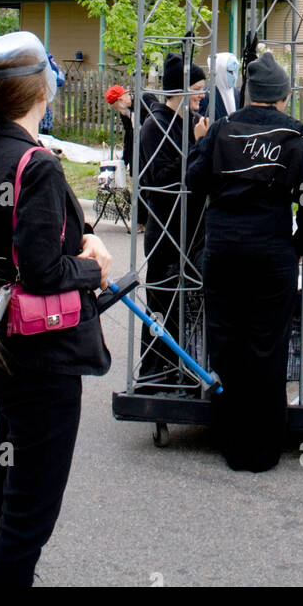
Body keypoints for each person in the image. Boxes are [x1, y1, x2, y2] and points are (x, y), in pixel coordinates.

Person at [0, 31, 112, 588]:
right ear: (44, 89)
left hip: (3, 347)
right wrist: (95, 268)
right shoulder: (37, 164)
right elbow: (44, 271)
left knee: (9, 474)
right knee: (31, 515)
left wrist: (85, 236)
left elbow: (30, 237)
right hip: (42, 361)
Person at [187, 51, 303, 472]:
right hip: (271, 250)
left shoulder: (223, 128)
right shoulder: (295, 134)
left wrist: (199, 143)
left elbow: (195, 182)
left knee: (227, 341)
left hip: (225, 248)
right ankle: (264, 448)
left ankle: (233, 441)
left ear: (250, 95)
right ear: (282, 97)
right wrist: (301, 243)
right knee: (268, 343)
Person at [137, 55, 209, 384]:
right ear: (178, 90)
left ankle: (181, 369)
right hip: (165, 231)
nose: (202, 95)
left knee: (185, 307)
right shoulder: (156, 126)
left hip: (190, 232)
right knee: (161, 304)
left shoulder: (187, 121)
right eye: (196, 89)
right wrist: (196, 146)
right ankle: (155, 375)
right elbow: (162, 180)